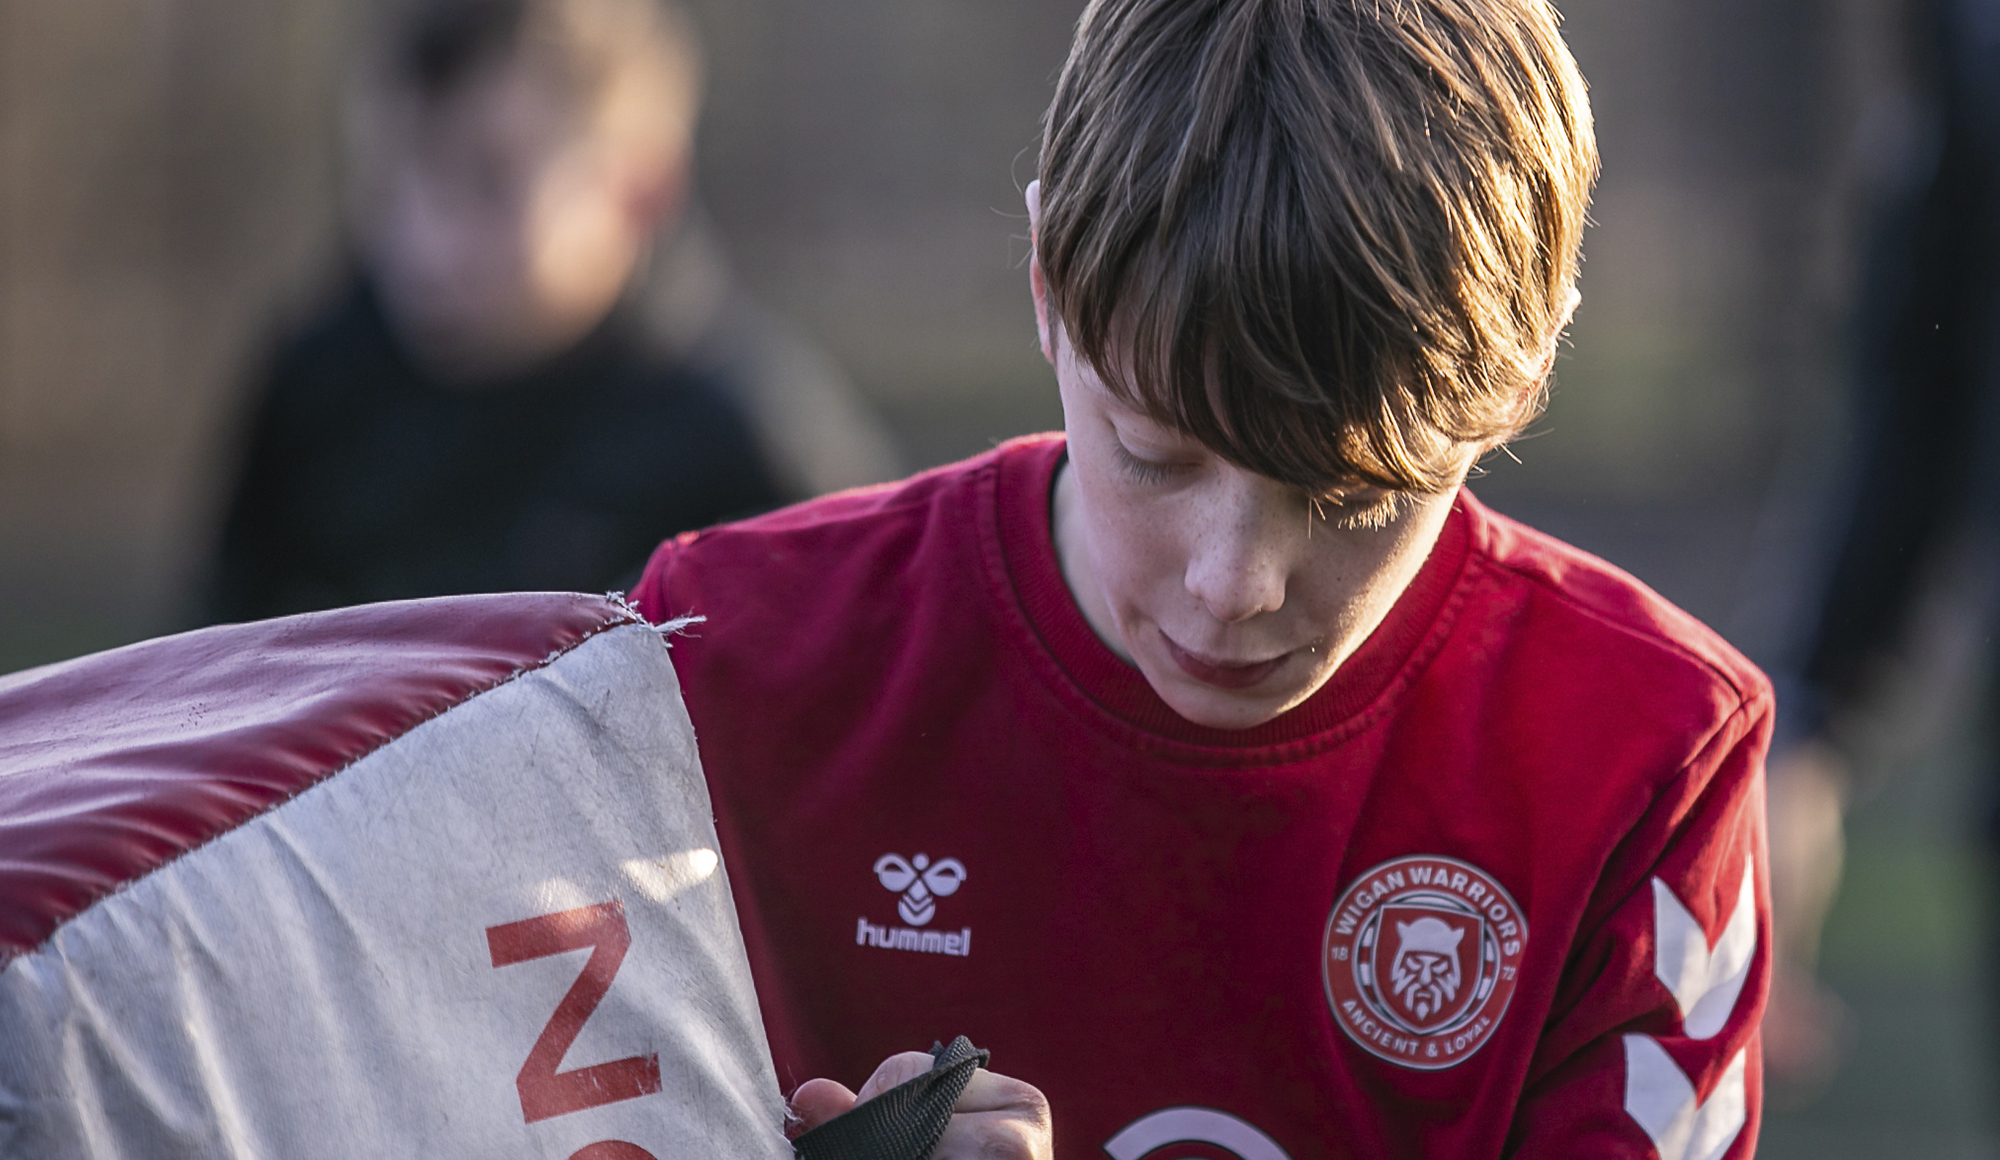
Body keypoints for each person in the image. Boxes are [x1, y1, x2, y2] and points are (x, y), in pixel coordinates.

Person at [633, 0, 1771, 1155]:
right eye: (1153, 454)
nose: (1234, 582)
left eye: (1349, 495)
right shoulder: (721, 662)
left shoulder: (1647, 759)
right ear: (1045, 286)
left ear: (1525, 376)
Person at [204, 0, 896, 620]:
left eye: (490, 183)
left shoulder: (747, 446)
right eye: (389, 180)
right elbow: (215, 665)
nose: (426, 240)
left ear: (639, 190)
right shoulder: (317, 386)